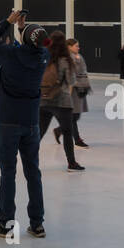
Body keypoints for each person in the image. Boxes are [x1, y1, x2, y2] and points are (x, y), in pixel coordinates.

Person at [0, 10, 49, 239]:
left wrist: (9, 22)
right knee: (34, 173)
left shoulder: (10, 55)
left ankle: (6, 224)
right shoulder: (43, 57)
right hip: (31, 123)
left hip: (9, 122)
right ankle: (37, 224)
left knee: (8, 173)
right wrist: (24, 30)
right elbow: (38, 44)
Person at [39, 31, 82, 172]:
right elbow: (71, 81)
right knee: (67, 133)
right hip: (62, 101)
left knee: (39, 132)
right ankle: (71, 163)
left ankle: (29, 158)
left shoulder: (44, 57)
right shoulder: (65, 60)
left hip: (44, 100)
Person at [57, 38, 90, 148]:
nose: (78, 47)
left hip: (80, 89)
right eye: (76, 46)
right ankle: (77, 139)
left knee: (76, 116)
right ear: (69, 47)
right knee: (72, 116)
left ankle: (59, 130)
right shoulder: (66, 59)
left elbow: (84, 71)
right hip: (71, 90)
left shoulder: (79, 57)